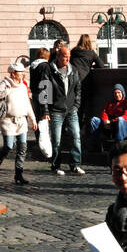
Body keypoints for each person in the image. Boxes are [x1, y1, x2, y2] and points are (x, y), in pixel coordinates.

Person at [34, 44, 85, 177]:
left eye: (69, 57)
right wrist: (45, 111)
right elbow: (44, 91)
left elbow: (78, 90)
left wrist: (76, 105)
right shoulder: (49, 70)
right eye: (65, 57)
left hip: (71, 110)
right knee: (56, 140)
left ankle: (75, 165)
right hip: (55, 110)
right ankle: (56, 166)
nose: (67, 59)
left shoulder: (73, 70)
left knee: (76, 137)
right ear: (58, 56)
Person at [0, 58, 36, 185]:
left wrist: (33, 119)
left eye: (23, 72)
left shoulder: (23, 85)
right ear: (13, 73)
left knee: (22, 147)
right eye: (20, 72)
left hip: (21, 121)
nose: (23, 74)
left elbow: (27, 104)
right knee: (8, 146)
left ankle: (19, 174)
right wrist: (6, 91)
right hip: (8, 121)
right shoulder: (5, 83)